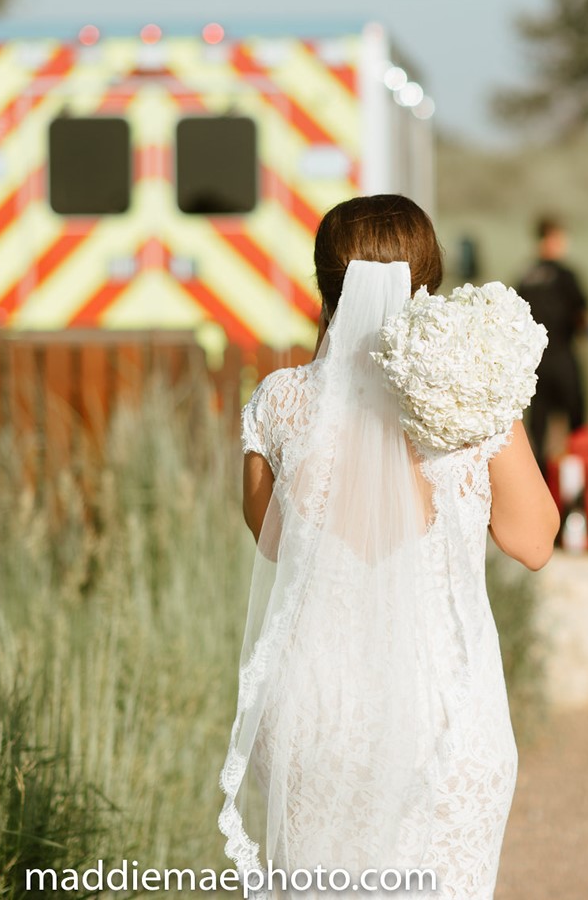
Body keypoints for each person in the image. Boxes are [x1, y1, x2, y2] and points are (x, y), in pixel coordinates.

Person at [222, 194, 559, 898]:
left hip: (315, 712)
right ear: (427, 280)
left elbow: (275, 547)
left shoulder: (281, 401)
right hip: (447, 709)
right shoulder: (473, 399)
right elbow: (533, 542)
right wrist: (494, 406)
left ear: (326, 284)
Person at [516, 215, 588, 465]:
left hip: (534, 363)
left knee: (538, 427)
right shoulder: (566, 274)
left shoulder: (525, 276)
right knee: (577, 424)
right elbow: (582, 316)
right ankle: (575, 482)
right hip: (562, 357)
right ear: (554, 239)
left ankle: (543, 479)